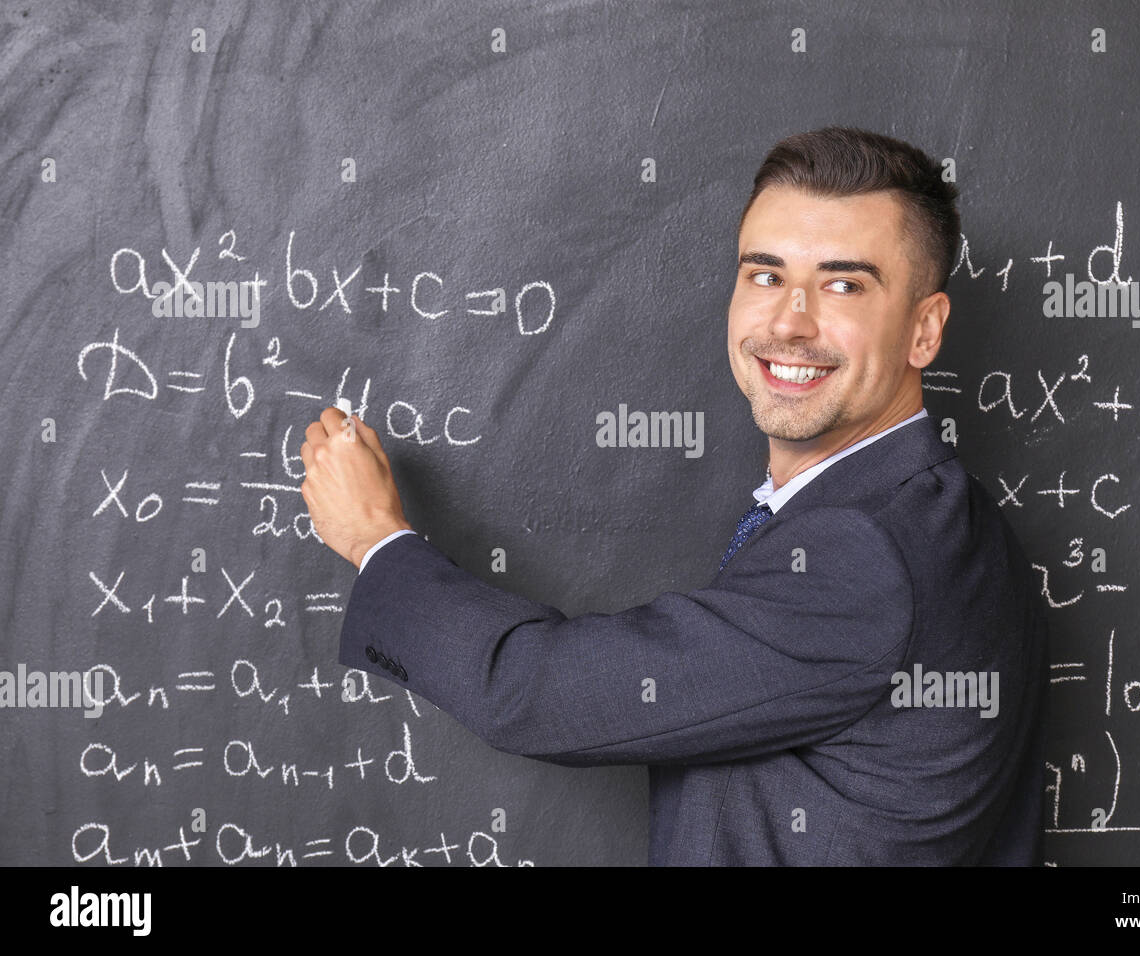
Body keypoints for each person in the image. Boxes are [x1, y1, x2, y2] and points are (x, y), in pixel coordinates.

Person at [299, 126, 1048, 865]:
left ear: (924, 330)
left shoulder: (865, 557)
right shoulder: (960, 520)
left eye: (843, 284)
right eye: (765, 274)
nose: (790, 320)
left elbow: (541, 692)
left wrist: (375, 538)